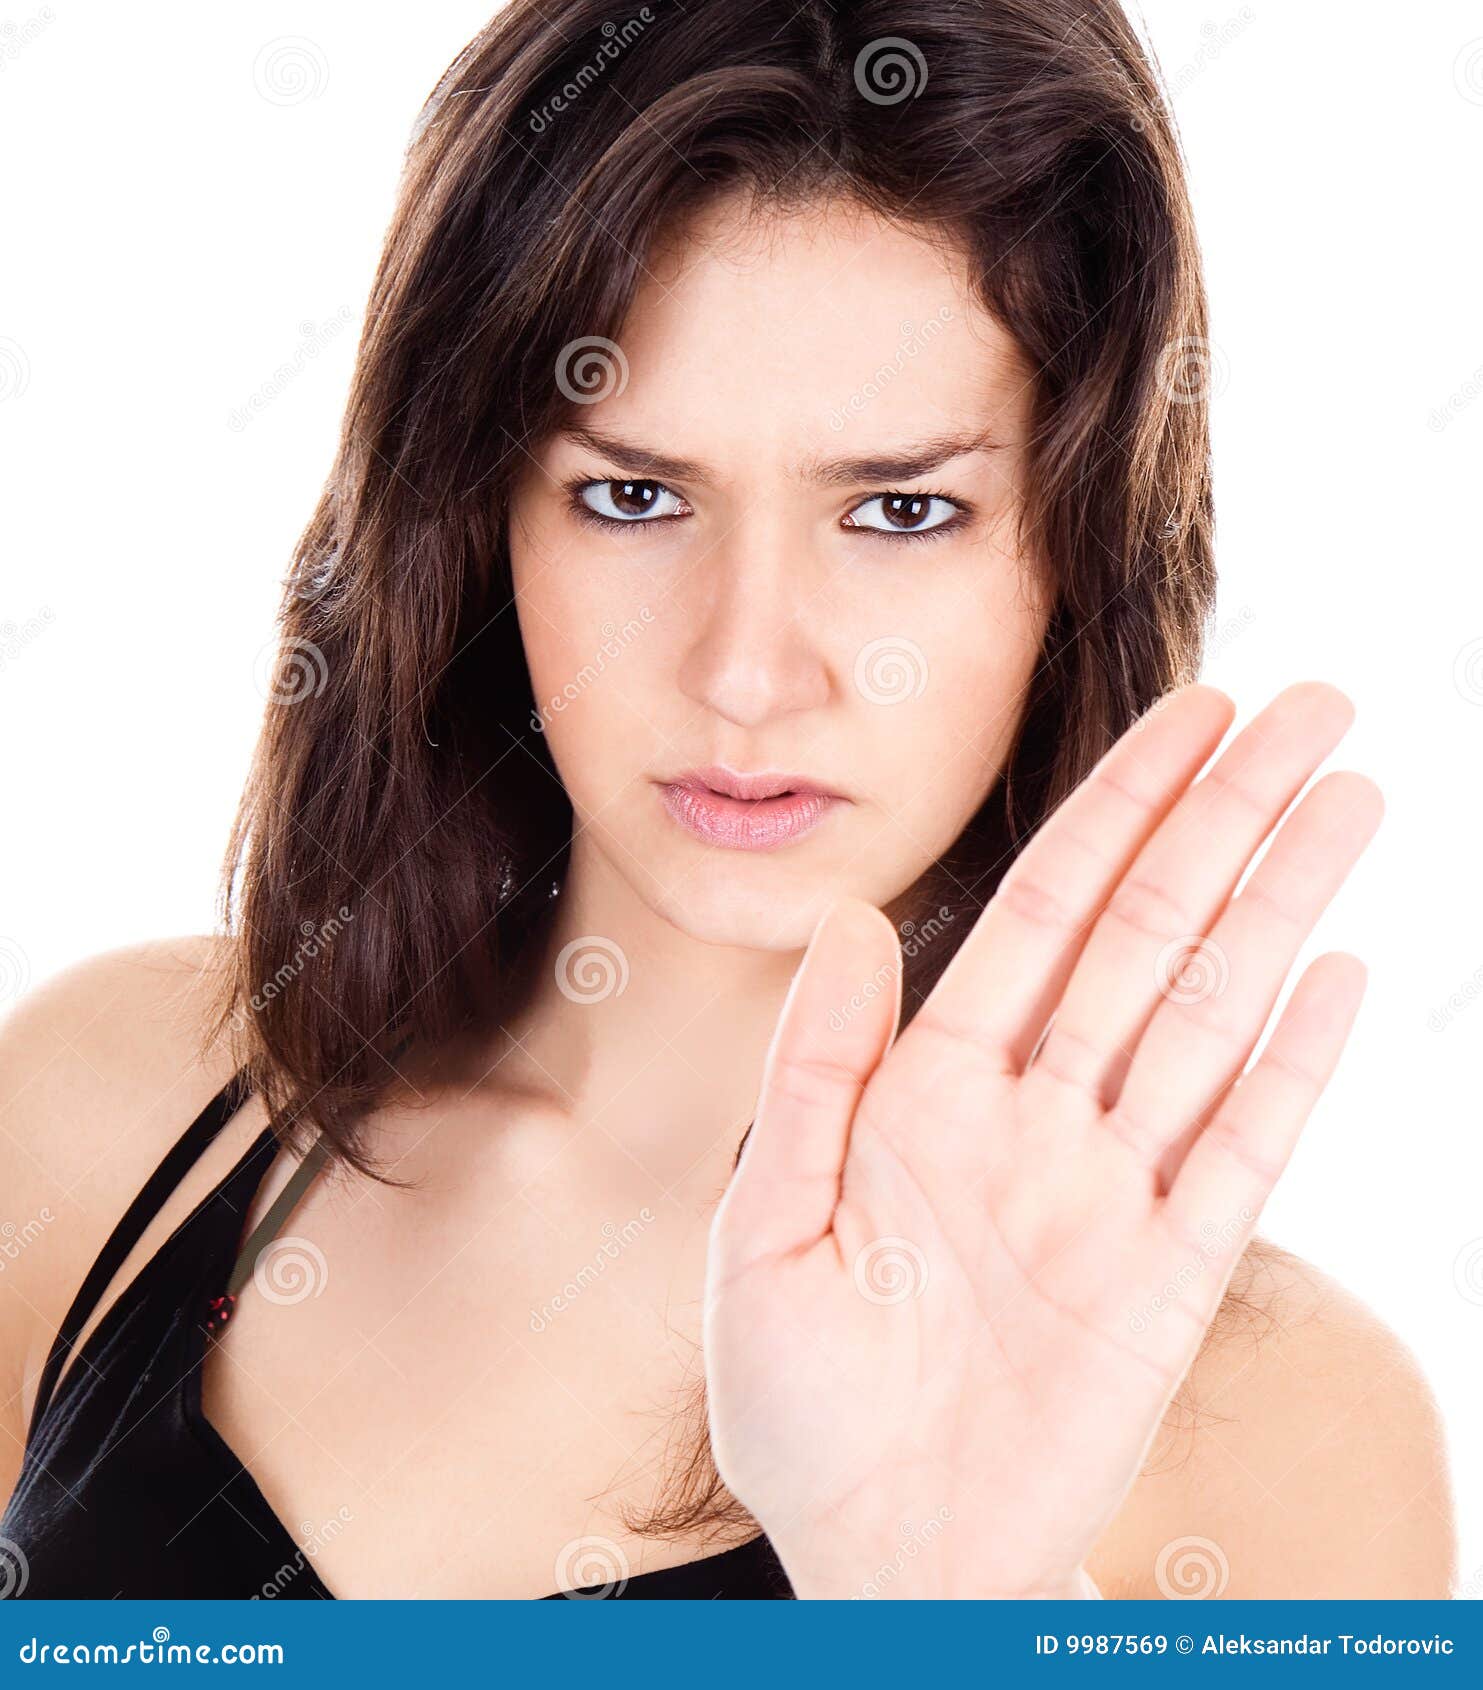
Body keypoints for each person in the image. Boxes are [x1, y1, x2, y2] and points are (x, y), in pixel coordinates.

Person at [0, 0, 1458, 1599]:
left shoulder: (1289, 1437)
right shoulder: (92, 1110)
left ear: (1076, 552)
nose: (749, 670)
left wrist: (942, 1608)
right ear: (479, 521)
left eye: (902, 508)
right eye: (633, 495)